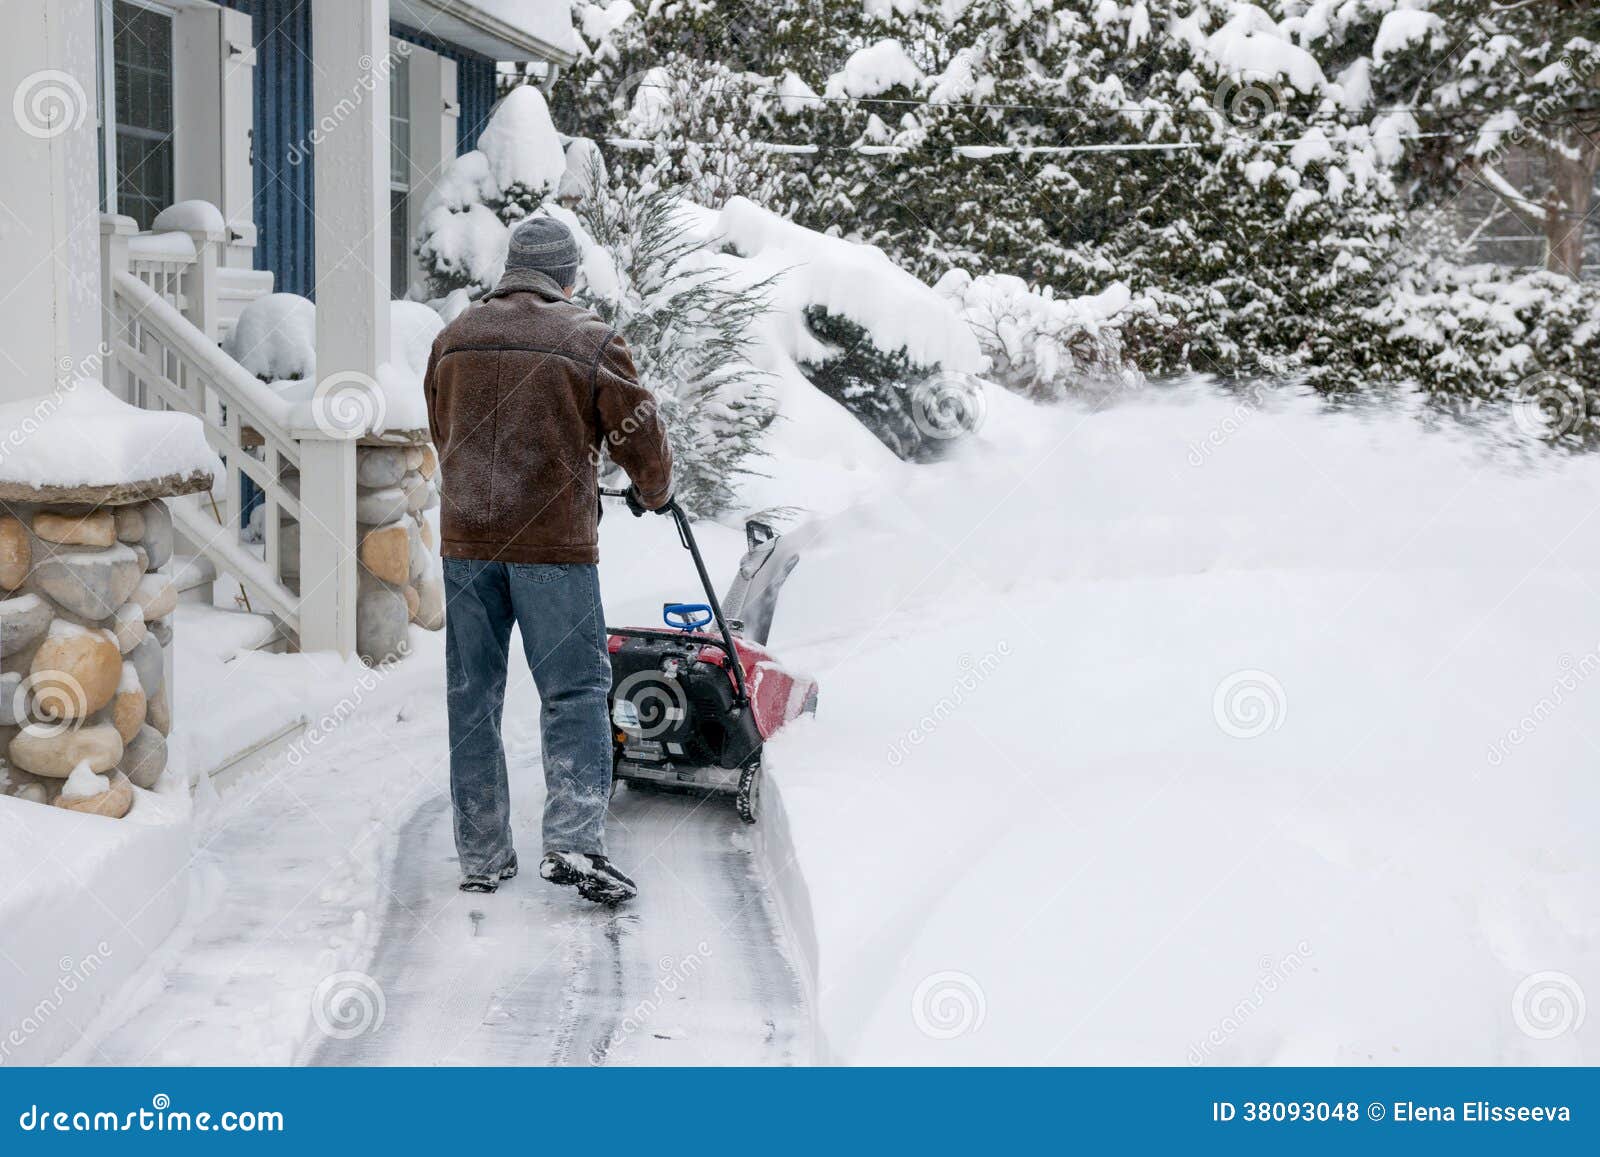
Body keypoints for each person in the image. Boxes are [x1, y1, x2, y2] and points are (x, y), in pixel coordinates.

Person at [423, 217, 673, 903]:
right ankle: (573, 841)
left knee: (472, 696)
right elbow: (639, 433)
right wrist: (656, 488)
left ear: (509, 272)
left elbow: (440, 429)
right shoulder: (587, 340)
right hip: (552, 549)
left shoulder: (453, 340)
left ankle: (480, 852)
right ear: (567, 276)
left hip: (468, 543)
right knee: (574, 691)